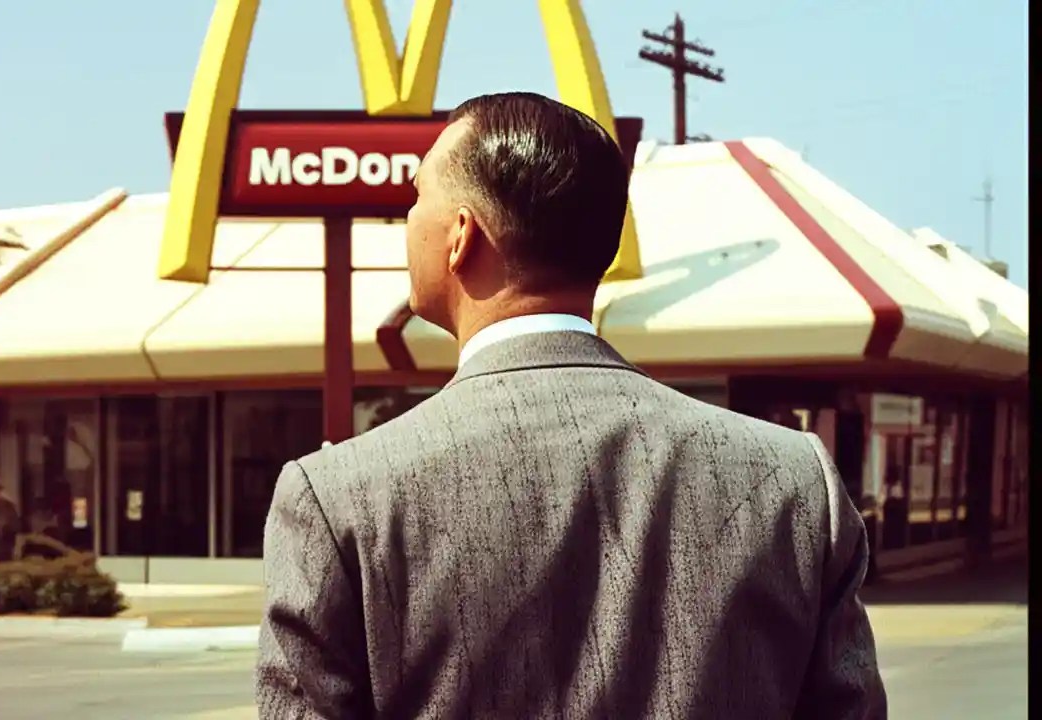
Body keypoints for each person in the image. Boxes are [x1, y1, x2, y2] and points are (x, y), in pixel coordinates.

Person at [256, 92, 886, 718]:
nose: (408, 217)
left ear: (461, 236)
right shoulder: (795, 481)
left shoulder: (338, 499)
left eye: (418, 196)